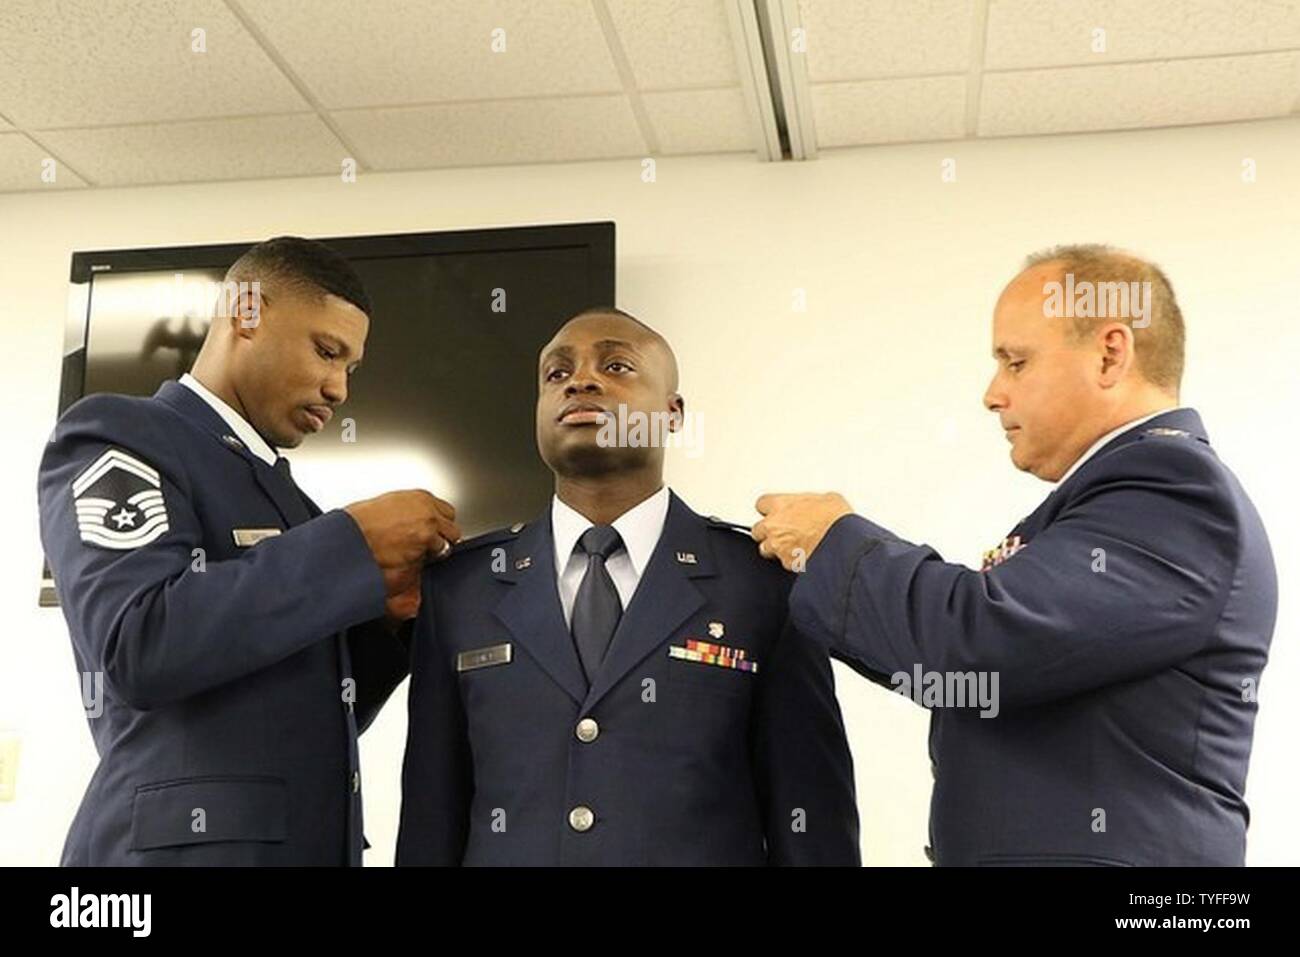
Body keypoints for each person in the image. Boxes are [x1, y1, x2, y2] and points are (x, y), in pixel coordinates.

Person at [753, 245, 1277, 866]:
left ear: (1110, 353)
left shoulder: (1172, 488)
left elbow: (980, 639)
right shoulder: (1115, 501)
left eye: (1015, 361)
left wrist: (833, 540)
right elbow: (968, 670)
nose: (992, 393)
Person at [38, 236, 460, 865]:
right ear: (246, 314)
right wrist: (354, 545)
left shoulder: (292, 504)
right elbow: (139, 643)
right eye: (326, 351)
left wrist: (388, 624)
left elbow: (299, 709)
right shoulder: (118, 433)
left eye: (351, 368)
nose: (340, 388)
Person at [397, 307, 859, 865]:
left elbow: (811, 819)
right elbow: (431, 818)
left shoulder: (763, 584)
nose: (580, 381)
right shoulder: (462, 588)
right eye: (556, 374)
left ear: (672, 413)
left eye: (616, 365)